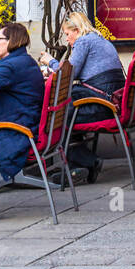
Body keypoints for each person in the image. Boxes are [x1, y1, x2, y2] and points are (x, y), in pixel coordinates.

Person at [40, 12, 125, 183]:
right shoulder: (100, 39)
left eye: (67, 34)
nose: (66, 39)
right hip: (109, 102)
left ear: (77, 30)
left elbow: (68, 74)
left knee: (59, 114)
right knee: (66, 111)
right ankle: (79, 165)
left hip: (100, 104)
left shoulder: (84, 41)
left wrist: (50, 61)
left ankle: (83, 164)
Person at [0, 22, 45, 218]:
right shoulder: (24, 62)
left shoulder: (11, 66)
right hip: (25, 121)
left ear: (11, 42)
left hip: (15, 131)